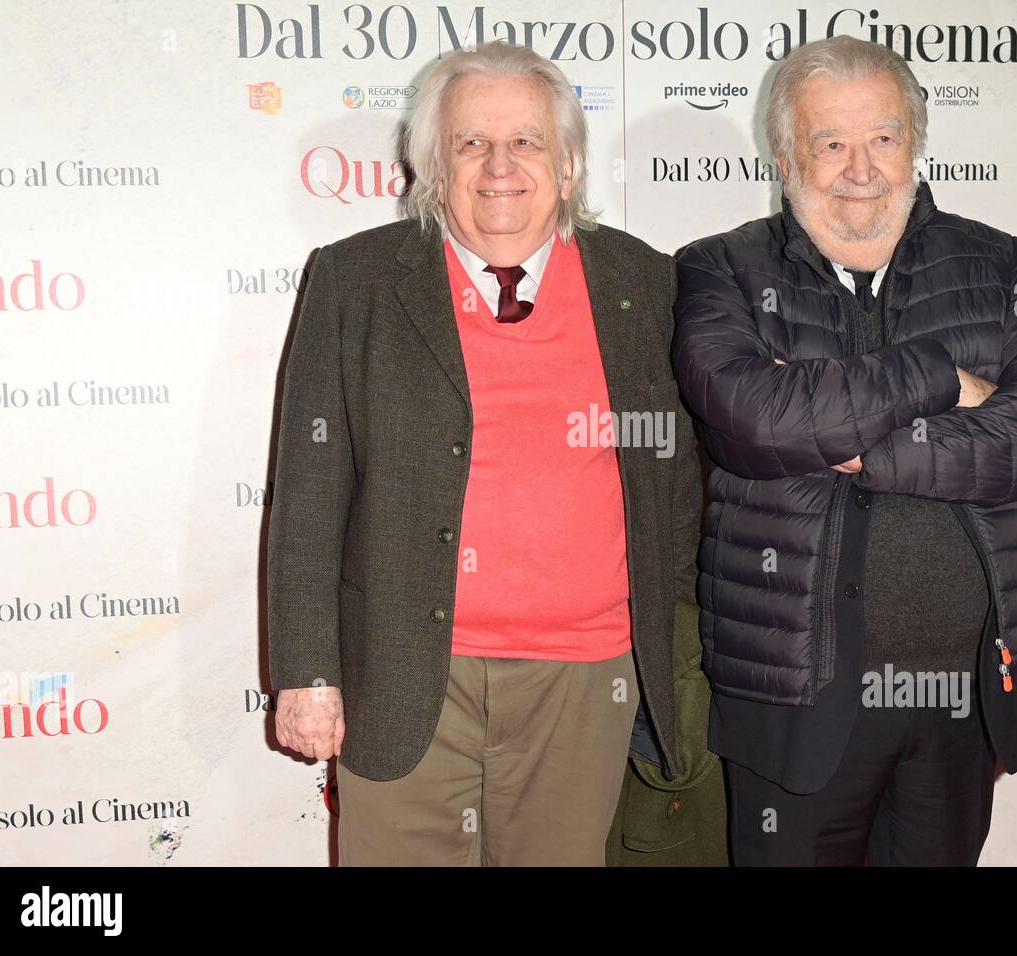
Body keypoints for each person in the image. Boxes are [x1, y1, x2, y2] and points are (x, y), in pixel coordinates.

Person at [266, 41, 704, 866]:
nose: (499, 166)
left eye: (528, 142)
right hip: (404, 668)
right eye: (470, 143)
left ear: (569, 166)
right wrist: (307, 671)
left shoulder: (647, 285)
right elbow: (310, 496)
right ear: (432, 168)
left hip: (585, 680)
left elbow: (680, 486)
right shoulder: (355, 282)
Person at [672, 35, 1017, 866]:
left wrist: (861, 447)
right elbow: (756, 421)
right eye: (830, 142)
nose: (859, 168)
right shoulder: (721, 268)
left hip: (961, 696)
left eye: (884, 138)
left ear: (917, 143)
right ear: (788, 154)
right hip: (796, 697)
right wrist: (944, 373)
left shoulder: (992, 260)